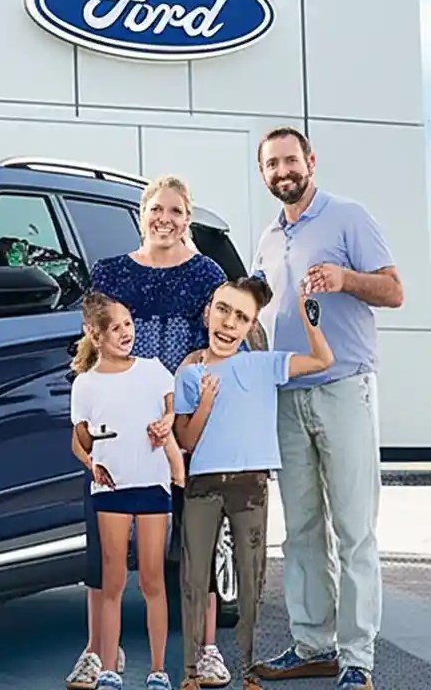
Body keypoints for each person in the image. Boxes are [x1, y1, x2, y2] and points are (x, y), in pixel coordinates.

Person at [248, 127, 403, 690]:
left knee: (354, 529)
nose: (283, 171)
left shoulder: (349, 217)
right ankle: (314, 645)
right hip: (289, 394)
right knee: (303, 528)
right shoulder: (268, 236)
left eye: (291, 160)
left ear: (310, 161)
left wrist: (344, 279)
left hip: (344, 387)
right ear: (263, 173)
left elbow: (393, 291)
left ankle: (357, 657)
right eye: (272, 164)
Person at [66, 175, 232, 690]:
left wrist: (191, 377)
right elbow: (90, 345)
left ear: (189, 219)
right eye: (156, 208)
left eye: (176, 211)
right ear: (142, 214)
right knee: (106, 548)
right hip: (119, 428)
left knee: (195, 538)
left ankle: (206, 650)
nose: (165, 218)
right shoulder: (110, 273)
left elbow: (222, 341)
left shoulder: (208, 272)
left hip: (184, 424)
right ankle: (99, 651)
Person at [174, 277, 335, 690]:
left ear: (251, 328)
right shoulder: (190, 372)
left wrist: (308, 318)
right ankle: (191, 672)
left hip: (251, 487)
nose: (229, 323)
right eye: (223, 310)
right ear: (208, 311)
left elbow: (322, 361)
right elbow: (185, 439)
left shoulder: (265, 365)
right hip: (202, 485)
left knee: (251, 578)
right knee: (194, 577)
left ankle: (247, 670)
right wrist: (206, 401)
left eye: (241, 317)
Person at [69, 291, 186, 690]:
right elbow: (79, 441)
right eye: (115, 327)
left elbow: (172, 412)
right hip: (111, 492)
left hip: (153, 487)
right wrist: (92, 464)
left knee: (152, 580)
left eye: (128, 324)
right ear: (95, 334)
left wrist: (166, 424)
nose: (125, 333)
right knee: (113, 580)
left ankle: (158, 671)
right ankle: (108, 671)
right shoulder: (85, 385)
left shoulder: (154, 371)